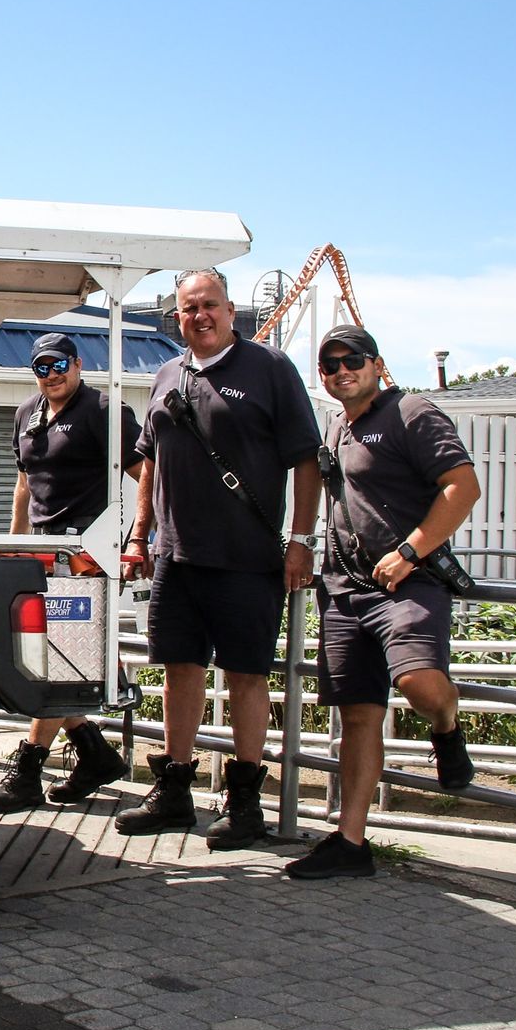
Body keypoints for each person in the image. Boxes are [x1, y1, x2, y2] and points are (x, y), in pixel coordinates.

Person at [116, 267, 322, 849]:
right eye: (187, 308)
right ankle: (175, 793)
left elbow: (306, 460)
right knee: (179, 670)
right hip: (176, 558)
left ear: (231, 311)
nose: (198, 316)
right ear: (175, 316)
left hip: (247, 557)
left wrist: (301, 542)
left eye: (209, 305)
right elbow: (148, 460)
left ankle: (246, 804)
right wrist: (140, 536)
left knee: (246, 677)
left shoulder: (270, 370)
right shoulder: (164, 375)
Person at [286, 324, 481, 879]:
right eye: (329, 365)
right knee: (358, 715)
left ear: (376, 364)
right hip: (345, 592)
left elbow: (462, 487)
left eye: (353, 360)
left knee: (420, 685)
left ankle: (446, 725)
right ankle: (351, 843)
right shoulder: (337, 429)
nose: (342, 370)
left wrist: (411, 552)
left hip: (405, 585)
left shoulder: (412, 413)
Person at [0, 333, 145, 813]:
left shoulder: (103, 410)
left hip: (83, 555)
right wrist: (12, 546)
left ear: (77, 364)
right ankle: (95, 755)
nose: (51, 374)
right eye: (41, 366)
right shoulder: (26, 415)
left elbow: (146, 474)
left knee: (59, 663)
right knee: (46, 659)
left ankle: (29, 768)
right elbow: (23, 484)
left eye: (59, 364)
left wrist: (141, 536)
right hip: (39, 553)